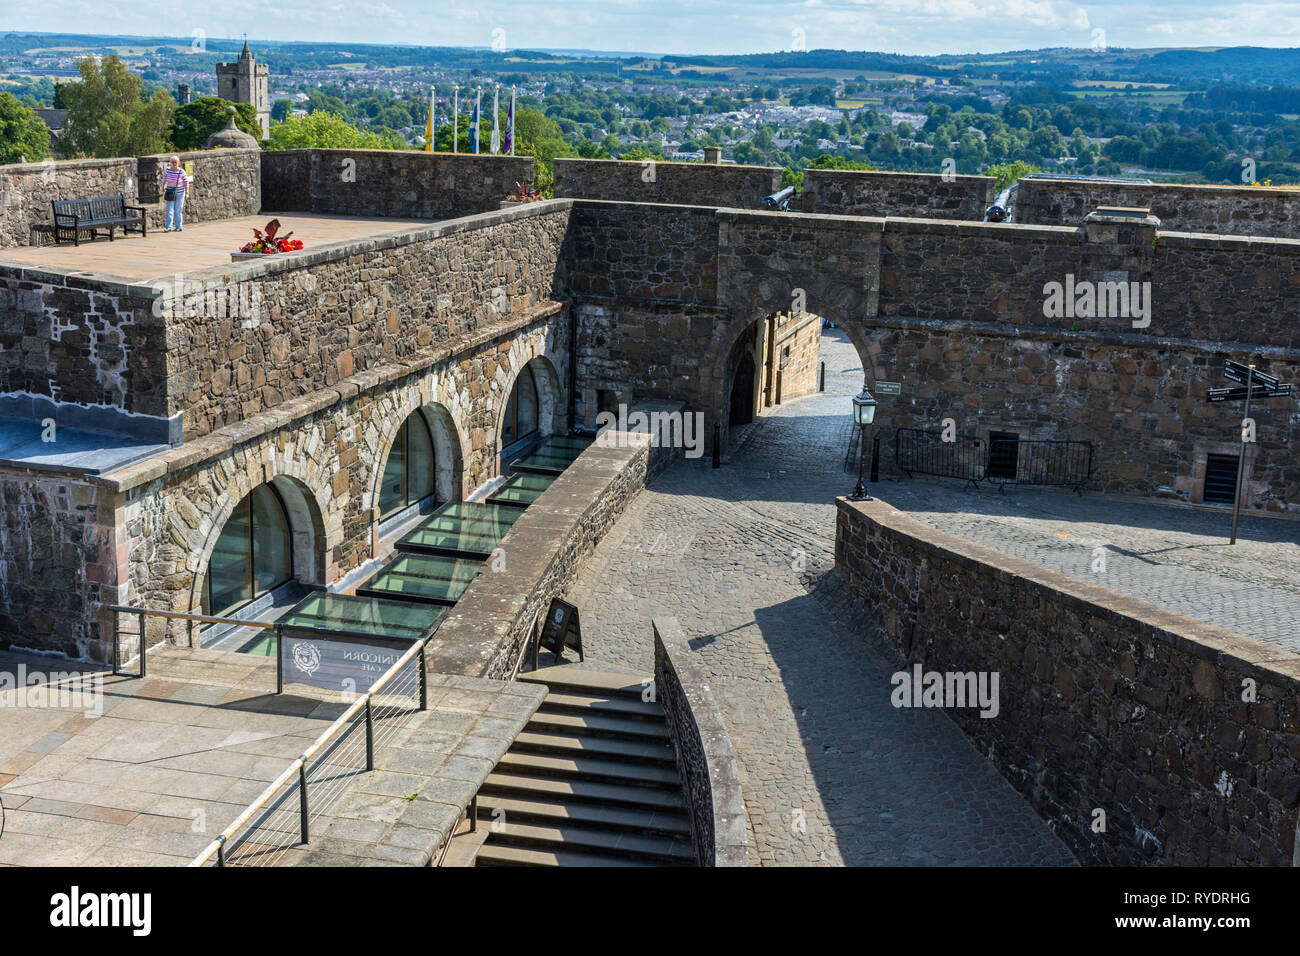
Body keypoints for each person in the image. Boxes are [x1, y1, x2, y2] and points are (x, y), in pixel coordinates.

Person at [162, 156, 191, 232]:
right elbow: (165, 180)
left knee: (178, 210)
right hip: (170, 192)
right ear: (170, 163)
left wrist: (187, 193)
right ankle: (168, 227)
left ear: (178, 163)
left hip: (180, 193)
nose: (174, 163)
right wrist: (164, 188)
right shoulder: (168, 170)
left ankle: (179, 226)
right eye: (173, 162)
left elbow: (186, 182)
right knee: (169, 210)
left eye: (176, 162)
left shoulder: (181, 171)